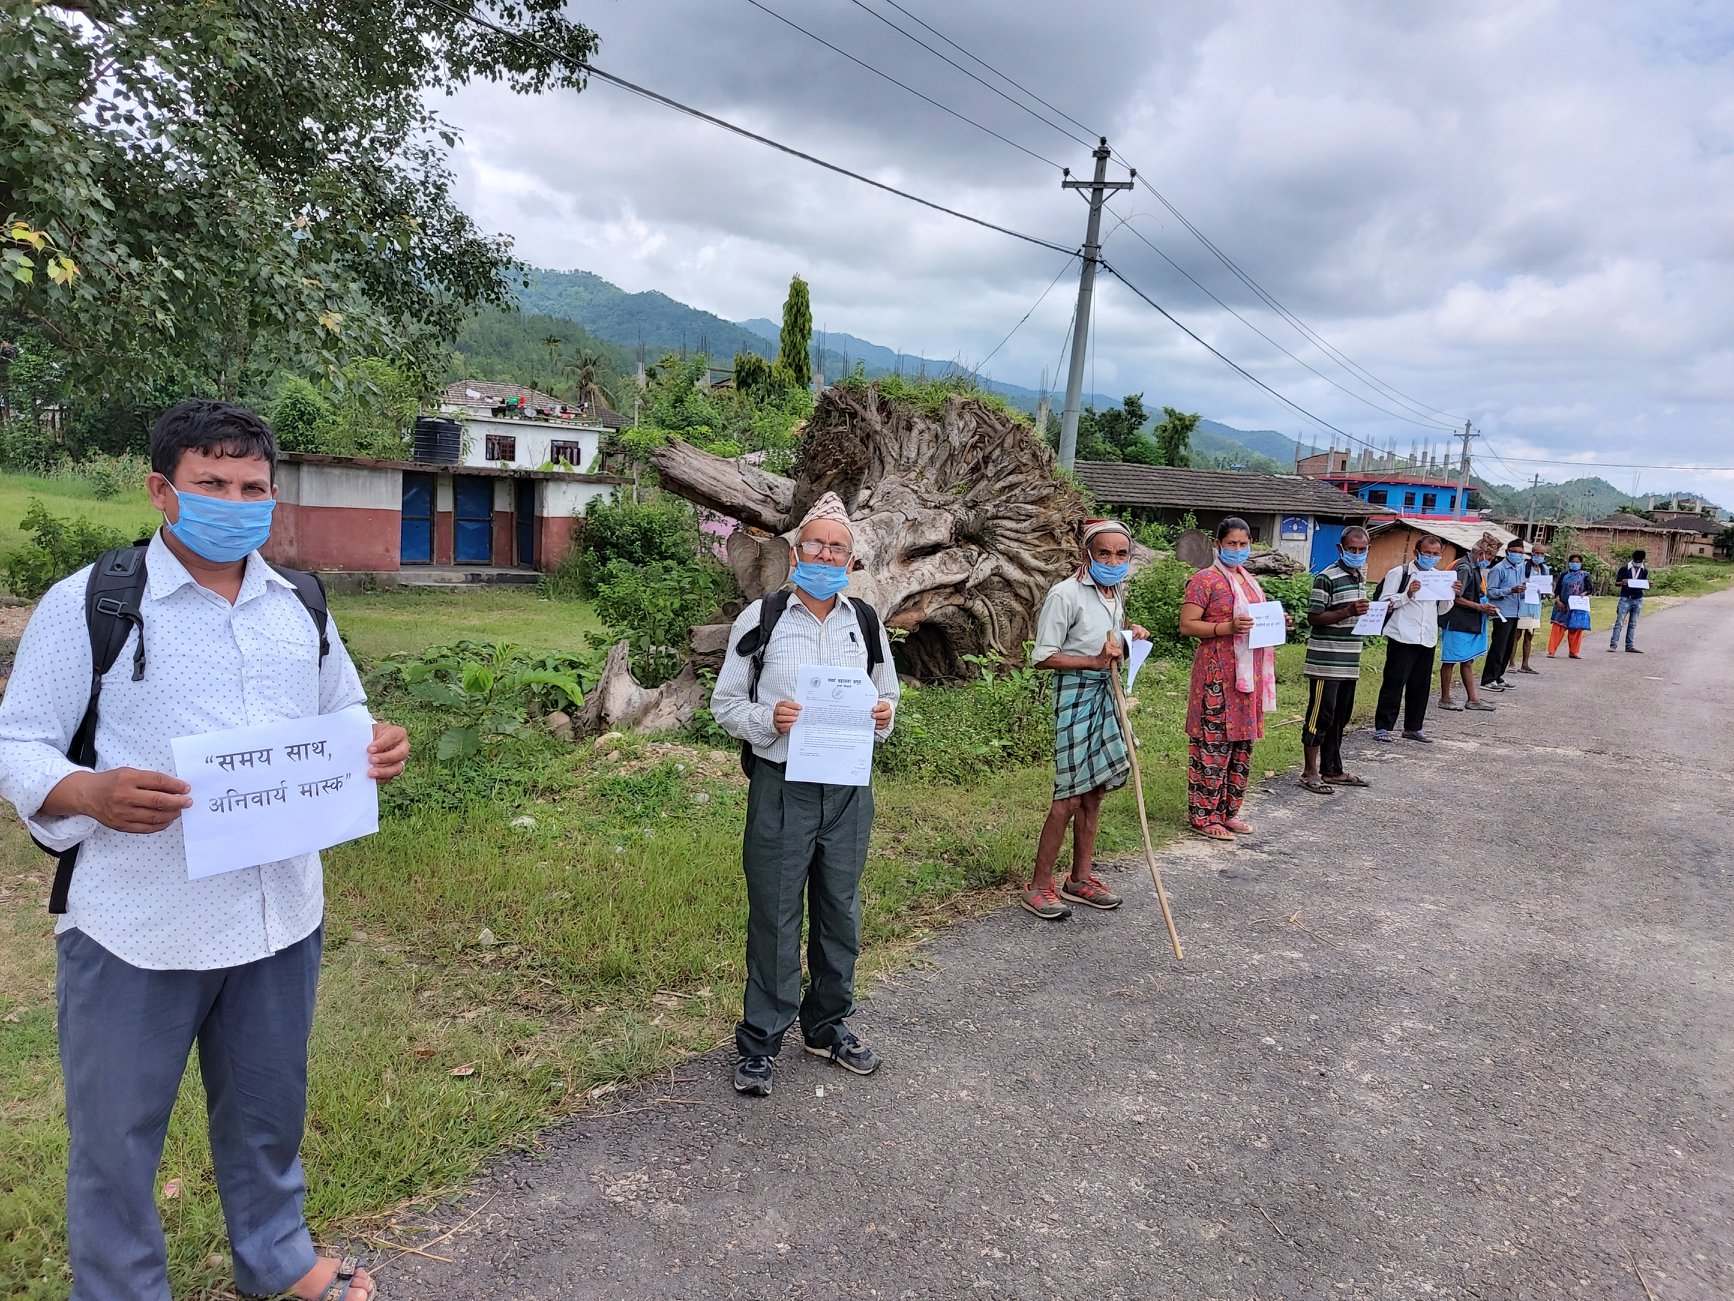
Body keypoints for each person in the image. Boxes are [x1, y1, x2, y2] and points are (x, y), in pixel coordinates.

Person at [0, 399, 408, 1301]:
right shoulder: (94, 603)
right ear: (162, 490)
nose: (235, 500)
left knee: (266, 1115)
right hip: (138, 924)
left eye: (252, 487)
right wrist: (92, 793)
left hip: (277, 915)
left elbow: (341, 706)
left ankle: (276, 1257)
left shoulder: (297, 602)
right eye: (211, 484)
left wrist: (373, 741)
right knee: (116, 1136)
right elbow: (18, 741)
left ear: (273, 495)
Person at [710, 492, 899, 1098]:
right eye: (814, 543)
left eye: (837, 547)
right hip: (782, 787)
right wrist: (772, 719)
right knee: (775, 910)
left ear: (851, 559)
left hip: (847, 789)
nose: (825, 553)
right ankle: (761, 1041)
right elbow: (725, 705)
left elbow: (888, 700)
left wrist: (880, 714)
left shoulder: (864, 622)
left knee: (839, 909)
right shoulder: (760, 620)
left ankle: (827, 1025)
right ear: (795, 553)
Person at [1022, 519, 1151, 917]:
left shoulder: (1116, 592)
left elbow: (1108, 644)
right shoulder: (1065, 594)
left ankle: (1079, 878)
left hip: (1107, 693)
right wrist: (1094, 661)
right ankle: (1038, 885)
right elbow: (1042, 656)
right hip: (1075, 695)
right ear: (1087, 555)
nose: (1113, 560)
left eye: (1121, 554)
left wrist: (1130, 638)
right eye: (1104, 553)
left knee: (1095, 791)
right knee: (1070, 794)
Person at [1178, 517, 1286, 843]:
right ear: (1217, 544)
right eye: (1232, 544)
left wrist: (1278, 622)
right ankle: (1203, 814)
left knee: (1241, 743)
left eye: (1243, 544)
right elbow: (1187, 625)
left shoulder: (1250, 582)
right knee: (1213, 744)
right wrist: (1225, 628)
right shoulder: (1204, 580)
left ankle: (1228, 811)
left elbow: (1256, 622)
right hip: (1216, 676)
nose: (1238, 550)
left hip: (1248, 677)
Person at [1298, 526, 1373, 794]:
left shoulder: (1360, 577)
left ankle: (1332, 769)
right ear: (1341, 549)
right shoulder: (1326, 577)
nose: (1357, 554)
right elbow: (1314, 617)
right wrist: (1348, 611)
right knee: (1320, 714)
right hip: (1326, 661)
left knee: (1341, 716)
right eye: (1352, 549)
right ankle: (1310, 771)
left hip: (1349, 660)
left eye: (1361, 549)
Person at [1371, 532, 1458, 743]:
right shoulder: (1399, 573)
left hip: (1426, 636)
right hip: (1402, 634)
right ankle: (1383, 726)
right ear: (1416, 552)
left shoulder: (1438, 576)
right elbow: (1385, 603)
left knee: (1420, 685)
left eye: (1436, 553)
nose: (1431, 557)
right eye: (1427, 553)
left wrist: (1451, 594)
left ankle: (1413, 727)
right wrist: (1407, 594)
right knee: (1394, 682)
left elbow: (1442, 610)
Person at [1438, 534, 1502, 713]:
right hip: (1457, 621)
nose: (1489, 561)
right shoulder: (1465, 568)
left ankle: (1473, 699)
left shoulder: (1472, 566)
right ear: (1480, 553)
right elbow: (1456, 598)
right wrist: (1480, 607)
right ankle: (1445, 697)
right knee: (1450, 660)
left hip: (1468, 621)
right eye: (1489, 557)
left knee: (1467, 660)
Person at [1479, 537, 1528, 692]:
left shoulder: (1520, 569)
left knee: (1508, 647)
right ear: (1507, 552)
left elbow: (1520, 589)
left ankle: (1498, 676)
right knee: (1498, 647)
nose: (1518, 555)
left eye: (1521, 552)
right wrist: (1510, 590)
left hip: (1515, 612)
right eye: (1514, 552)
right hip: (1502, 613)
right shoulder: (1498, 569)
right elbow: (1491, 592)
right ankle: (1488, 679)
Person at [1513, 542, 1550, 673]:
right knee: (1516, 635)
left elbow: (1546, 587)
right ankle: (1511, 663)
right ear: (1532, 553)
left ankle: (1525, 664)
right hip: (1523, 605)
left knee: (1529, 635)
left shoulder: (1545, 569)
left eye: (1542, 554)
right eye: (1537, 553)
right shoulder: (1522, 567)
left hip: (1535, 606)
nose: (1539, 556)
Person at [1548, 553, 1593, 658]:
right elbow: (1557, 589)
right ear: (1569, 563)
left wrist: (1584, 593)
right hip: (1562, 605)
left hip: (1577, 606)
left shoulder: (1585, 575)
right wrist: (1558, 601)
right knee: (1558, 628)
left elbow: (1590, 589)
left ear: (1581, 564)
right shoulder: (1564, 575)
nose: (1575, 564)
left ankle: (1573, 652)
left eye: (1577, 562)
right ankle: (1551, 651)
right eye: (1573, 562)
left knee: (1576, 630)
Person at [1610, 549, 1649, 652]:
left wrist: (1648, 584)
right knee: (1619, 622)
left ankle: (1629, 645)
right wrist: (1622, 582)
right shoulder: (1624, 569)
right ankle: (1613, 645)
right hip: (1625, 598)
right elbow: (1616, 583)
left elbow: (1643, 584)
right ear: (1633, 558)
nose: (1637, 562)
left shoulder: (1644, 570)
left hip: (1638, 598)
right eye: (1636, 560)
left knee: (1633, 623)